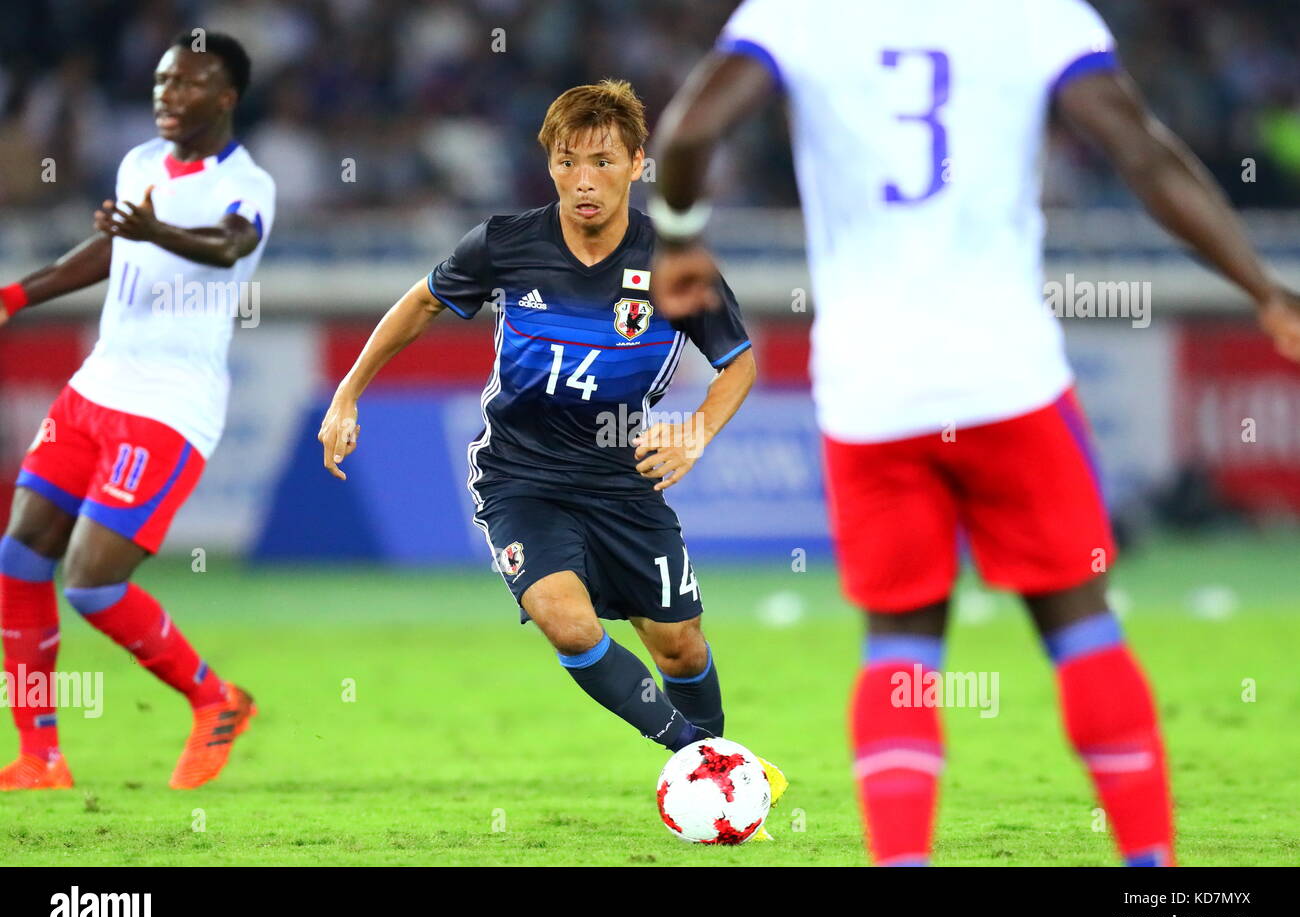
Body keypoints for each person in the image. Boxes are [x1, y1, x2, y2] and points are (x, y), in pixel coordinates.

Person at [647, 0, 1300, 865]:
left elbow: (690, 129)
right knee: (1082, 630)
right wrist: (1261, 287)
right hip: (1008, 375)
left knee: (902, 647)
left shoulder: (796, 13)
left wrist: (682, 239)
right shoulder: (1039, 13)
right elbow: (1141, 150)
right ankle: (1156, 883)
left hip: (871, 388)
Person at [317, 80, 785, 841]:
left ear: (639, 165)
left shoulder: (674, 262)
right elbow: (424, 301)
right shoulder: (507, 242)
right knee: (563, 622)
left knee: (680, 644)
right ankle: (713, 770)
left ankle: (719, 768)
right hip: (521, 477)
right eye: (567, 162)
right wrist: (348, 393)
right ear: (551, 168)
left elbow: (737, 365)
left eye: (602, 162)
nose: (583, 180)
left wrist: (697, 429)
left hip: (624, 482)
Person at [0, 32, 275, 791]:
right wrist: (17, 296)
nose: (166, 95)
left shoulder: (248, 183)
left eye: (186, 84)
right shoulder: (140, 165)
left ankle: (215, 698)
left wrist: (151, 229)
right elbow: (110, 250)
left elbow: (228, 245)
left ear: (224, 98)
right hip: (97, 387)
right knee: (19, 556)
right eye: (160, 81)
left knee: (91, 581)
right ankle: (40, 756)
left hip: (168, 406)